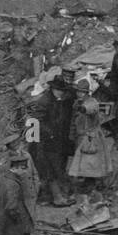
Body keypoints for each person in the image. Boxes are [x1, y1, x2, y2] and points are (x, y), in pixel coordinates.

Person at [29, 67, 77, 206]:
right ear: (53, 89)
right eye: (59, 90)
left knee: (58, 167)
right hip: (44, 143)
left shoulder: (59, 98)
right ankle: (57, 197)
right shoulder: (44, 102)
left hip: (58, 141)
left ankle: (60, 194)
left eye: (63, 91)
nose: (61, 93)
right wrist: (49, 133)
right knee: (50, 170)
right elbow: (36, 122)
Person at [67, 95, 113, 205]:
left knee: (91, 163)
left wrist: (82, 108)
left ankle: (92, 188)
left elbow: (91, 109)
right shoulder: (77, 103)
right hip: (83, 139)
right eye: (78, 91)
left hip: (91, 139)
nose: (80, 93)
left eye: (82, 91)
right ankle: (87, 187)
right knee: (84, 165)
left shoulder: (91, 102)